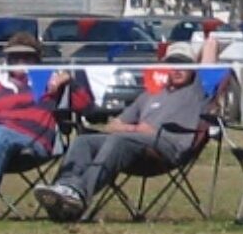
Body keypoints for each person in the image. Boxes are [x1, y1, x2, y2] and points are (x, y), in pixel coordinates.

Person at [33, 38, 222, 220]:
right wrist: (136, 129)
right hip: (136, 145)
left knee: (119, 139)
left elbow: (211, 47)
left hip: (169, 146)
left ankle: (80, 192)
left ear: (194, 69)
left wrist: (135, 131)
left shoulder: (199, 90)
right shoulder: (150, 95)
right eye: (173, 64)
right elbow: (114, 124)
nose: (178, 69)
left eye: (184, 65)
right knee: (84, 141)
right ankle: (64, 189)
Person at [0, 35, 63, 220]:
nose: (19, 61)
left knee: (0, 135)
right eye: (14, 57)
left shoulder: (43, 79)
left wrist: (66, 78)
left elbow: (84, 103)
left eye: (26, 57)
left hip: (32, 141)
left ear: (37, 60)